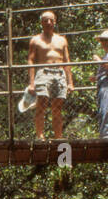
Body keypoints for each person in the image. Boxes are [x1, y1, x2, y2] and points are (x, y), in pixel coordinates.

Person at [26, 11, 74, 139]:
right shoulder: (35, 40)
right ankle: (40, 136)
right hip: (43, 72)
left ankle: (58, 137)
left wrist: (70, 82)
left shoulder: (62, 40)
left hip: (59, 73)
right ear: (41, 22)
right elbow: (30, 60)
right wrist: (31, 83)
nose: (48, 23)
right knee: (41, 103)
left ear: (55, 22)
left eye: (51, 20)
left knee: (57, 107)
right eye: (45, 20)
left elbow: (66, 60)